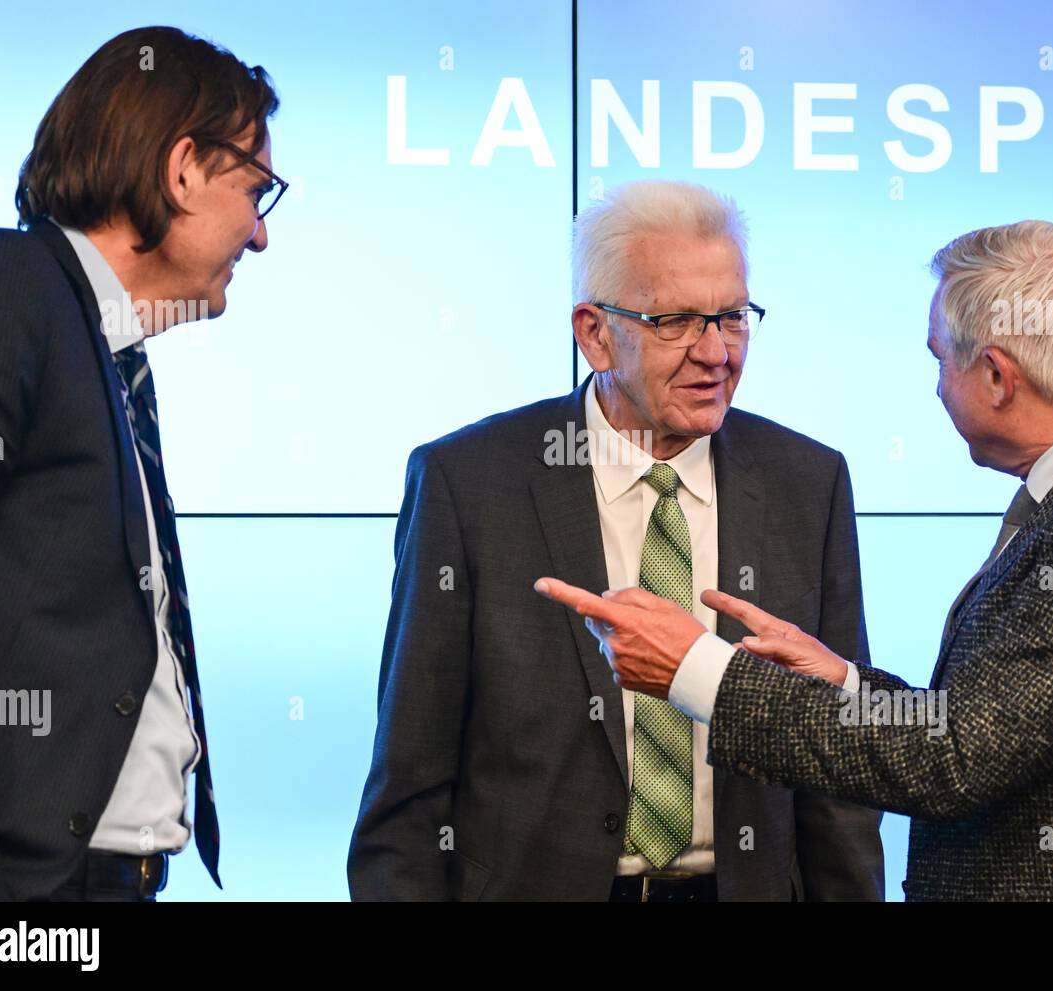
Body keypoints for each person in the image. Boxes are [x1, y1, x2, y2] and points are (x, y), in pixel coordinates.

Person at [538, 219, 1053, 901]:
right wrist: (845, 681)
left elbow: (956, 757)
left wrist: (696, 670)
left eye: (941, 359)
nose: (937, 386)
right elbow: (992, 722)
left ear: (998, 376)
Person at [349, 180, 884, 901]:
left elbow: (838, 781)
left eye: (732, 317)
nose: (716, 351)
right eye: (675, 321)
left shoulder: (807, 482)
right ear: (594, 332)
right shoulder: (470, 483)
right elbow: (409, 785)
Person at [0, 25, 284, 901]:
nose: (259, 237)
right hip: (30, 890)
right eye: (257, 191)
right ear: (182, 170)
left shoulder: (111, 356)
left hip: (116, 882)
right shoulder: (1, 284)